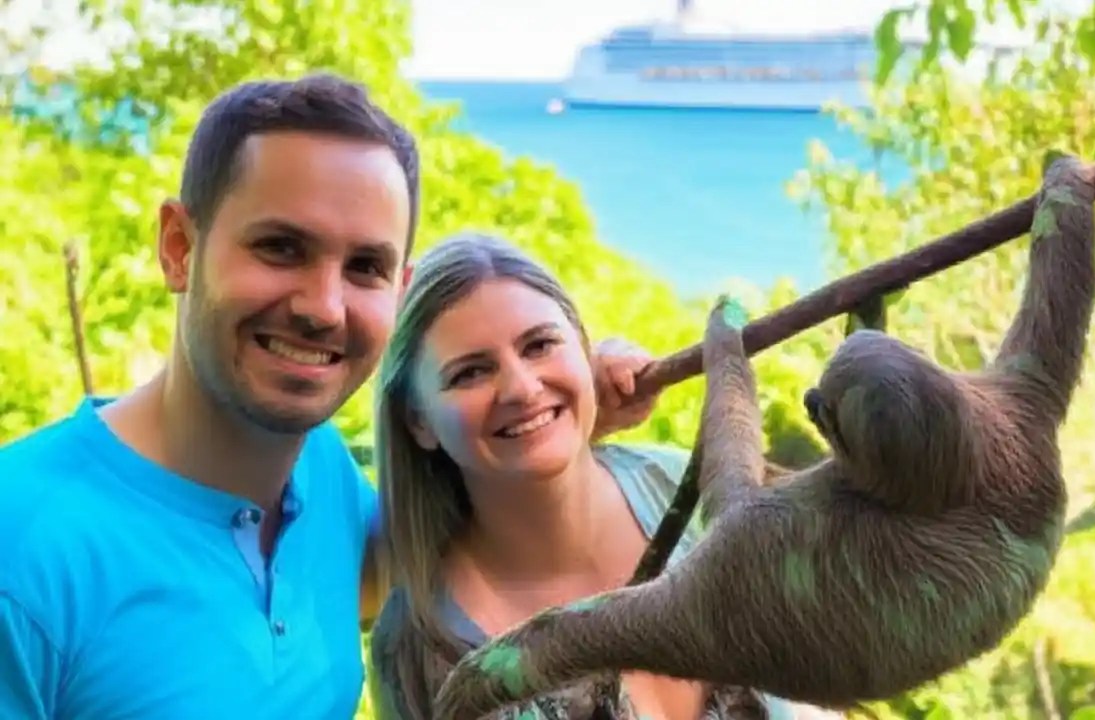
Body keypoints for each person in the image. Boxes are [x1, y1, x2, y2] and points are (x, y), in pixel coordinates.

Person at [0, 73, 658, 720]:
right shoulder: (26, 549)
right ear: (178, 247)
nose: (323, 308)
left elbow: (452, 530)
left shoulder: (321, 478)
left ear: (397, 295)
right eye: (281, 248)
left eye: (364, 268)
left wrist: (561, 406)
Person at [366, 232, 844, 720]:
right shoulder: (419, 648)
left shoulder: (691, 487)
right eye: (469, 373)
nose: (522, 388)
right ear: (418, 421)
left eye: (540, 344)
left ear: (584, 350)